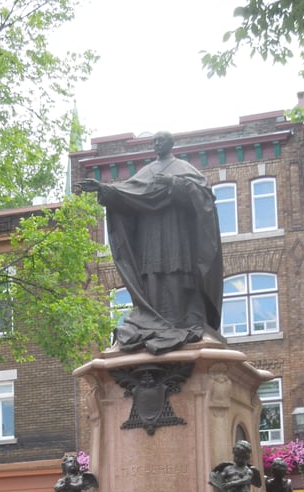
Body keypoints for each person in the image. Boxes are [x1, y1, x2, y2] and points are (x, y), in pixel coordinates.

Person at [77, 130, 223, 355]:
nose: (156, 145)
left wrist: (175, 184)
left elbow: (203, 197)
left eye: (160, 141)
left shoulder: (183, 170)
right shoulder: (146, 172)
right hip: (151, 236)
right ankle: (155, 320)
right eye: (154, 141)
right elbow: (128, 193)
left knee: (176, 273)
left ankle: (178, 320)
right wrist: (103, 189)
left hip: (176, 235)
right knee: (152, 274)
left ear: (170, 144)